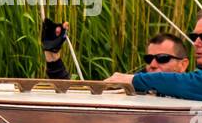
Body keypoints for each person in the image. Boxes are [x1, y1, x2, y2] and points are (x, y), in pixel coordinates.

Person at [41, 20, 188, 79]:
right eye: (149, 59)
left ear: (183, 65)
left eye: (162, 59)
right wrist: (52, 56)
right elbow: (79, 99)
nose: (153, 65)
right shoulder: (133, 90)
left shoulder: (198, 91)